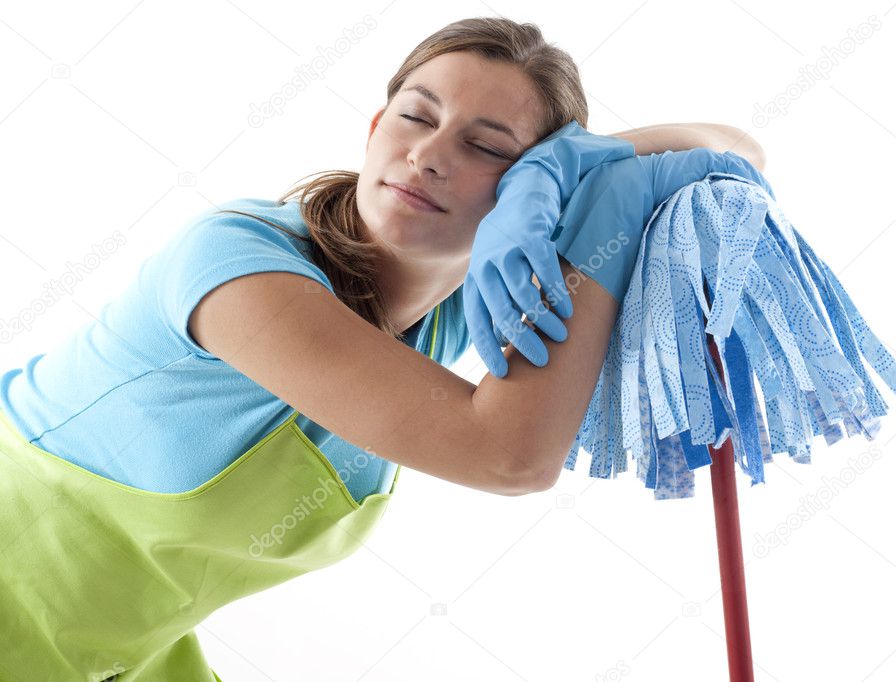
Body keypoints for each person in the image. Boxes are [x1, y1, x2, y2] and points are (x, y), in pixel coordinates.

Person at [0, 16, 762, 679]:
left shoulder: (446, 307)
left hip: (114, 653)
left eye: (487, 147)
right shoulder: (236, 263)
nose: (427, 156)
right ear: (373, 129)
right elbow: (507, 455)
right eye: (414, 116)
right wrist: (607, 211)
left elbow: (738, 152)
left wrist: (575, 167)